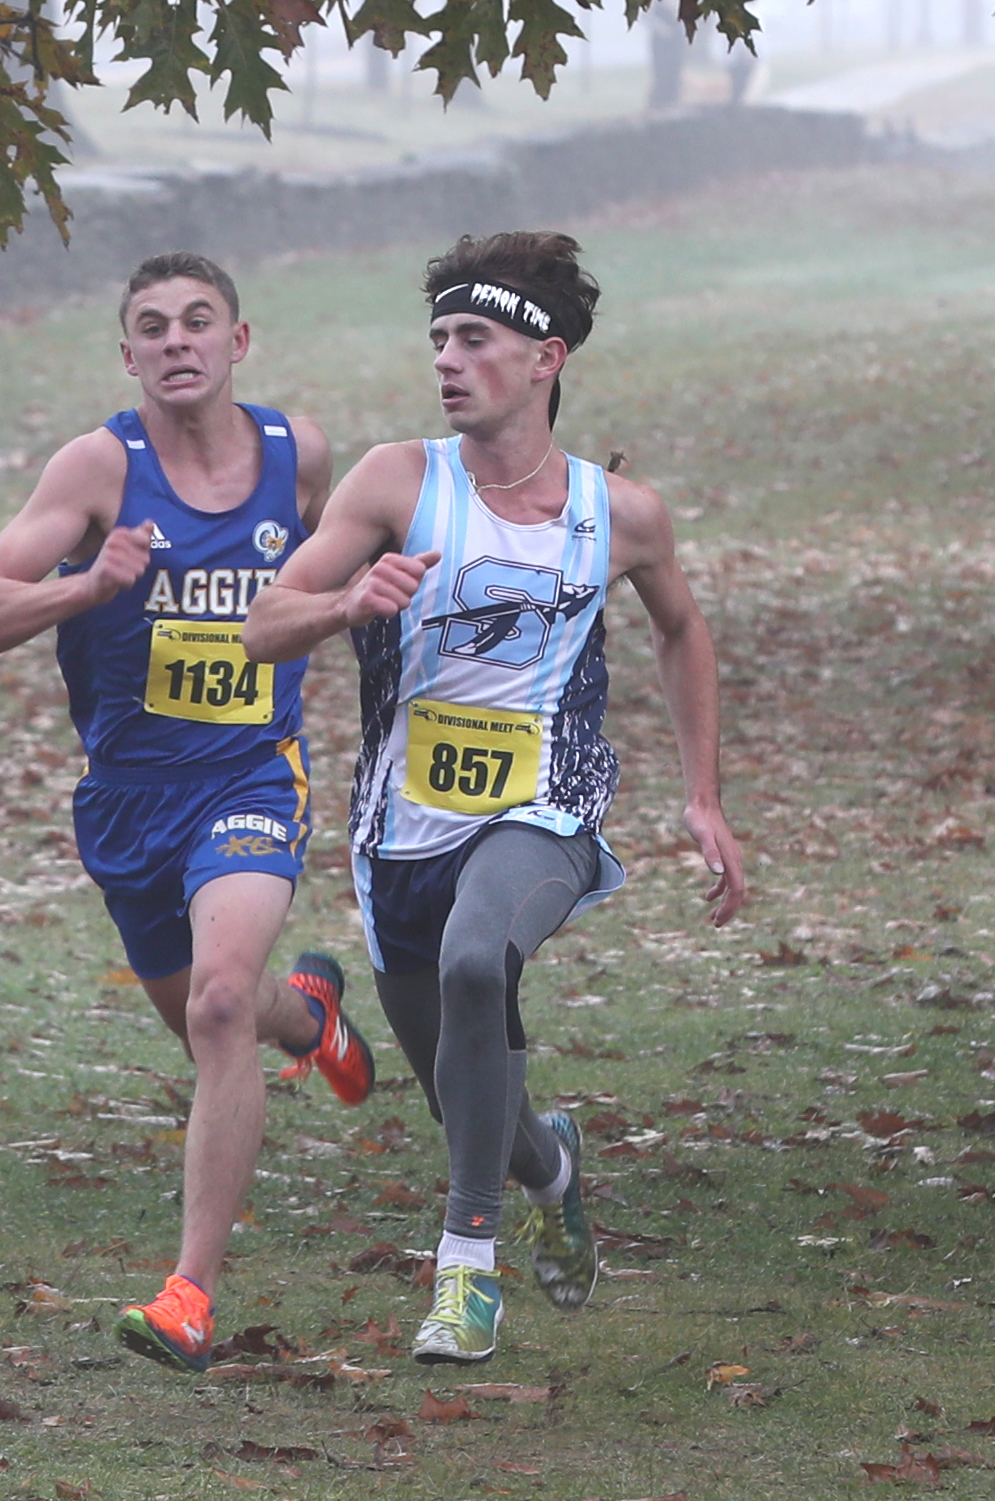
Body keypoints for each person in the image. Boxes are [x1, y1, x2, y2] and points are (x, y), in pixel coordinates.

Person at [244, 232, 745, 1366]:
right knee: (466, 1086)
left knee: (483, 962)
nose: (448, 360)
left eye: (475, 339)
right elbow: (264, 621)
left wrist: (703, 795)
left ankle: (464, 1271)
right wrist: (342, 605)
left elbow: (680, 629)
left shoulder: (621, 513)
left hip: (546, 810)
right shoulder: (396, 480)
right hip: (402, 832)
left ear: (545, 358)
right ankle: (550, 1163)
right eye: (438, 340)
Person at [0, 251, 377, 1374]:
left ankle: (189, 1293)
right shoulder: (97, 469)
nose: (175, 341)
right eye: (152, 326)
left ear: (238, 343)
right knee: (215, 1011)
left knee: (218, 1008)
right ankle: (311, 1012)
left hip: (251, 777)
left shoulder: (300, 455)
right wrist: (84, 588)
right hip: (130, 801)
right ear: (126, 353)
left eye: (197, 322)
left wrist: (349, 607)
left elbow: (329, 566)